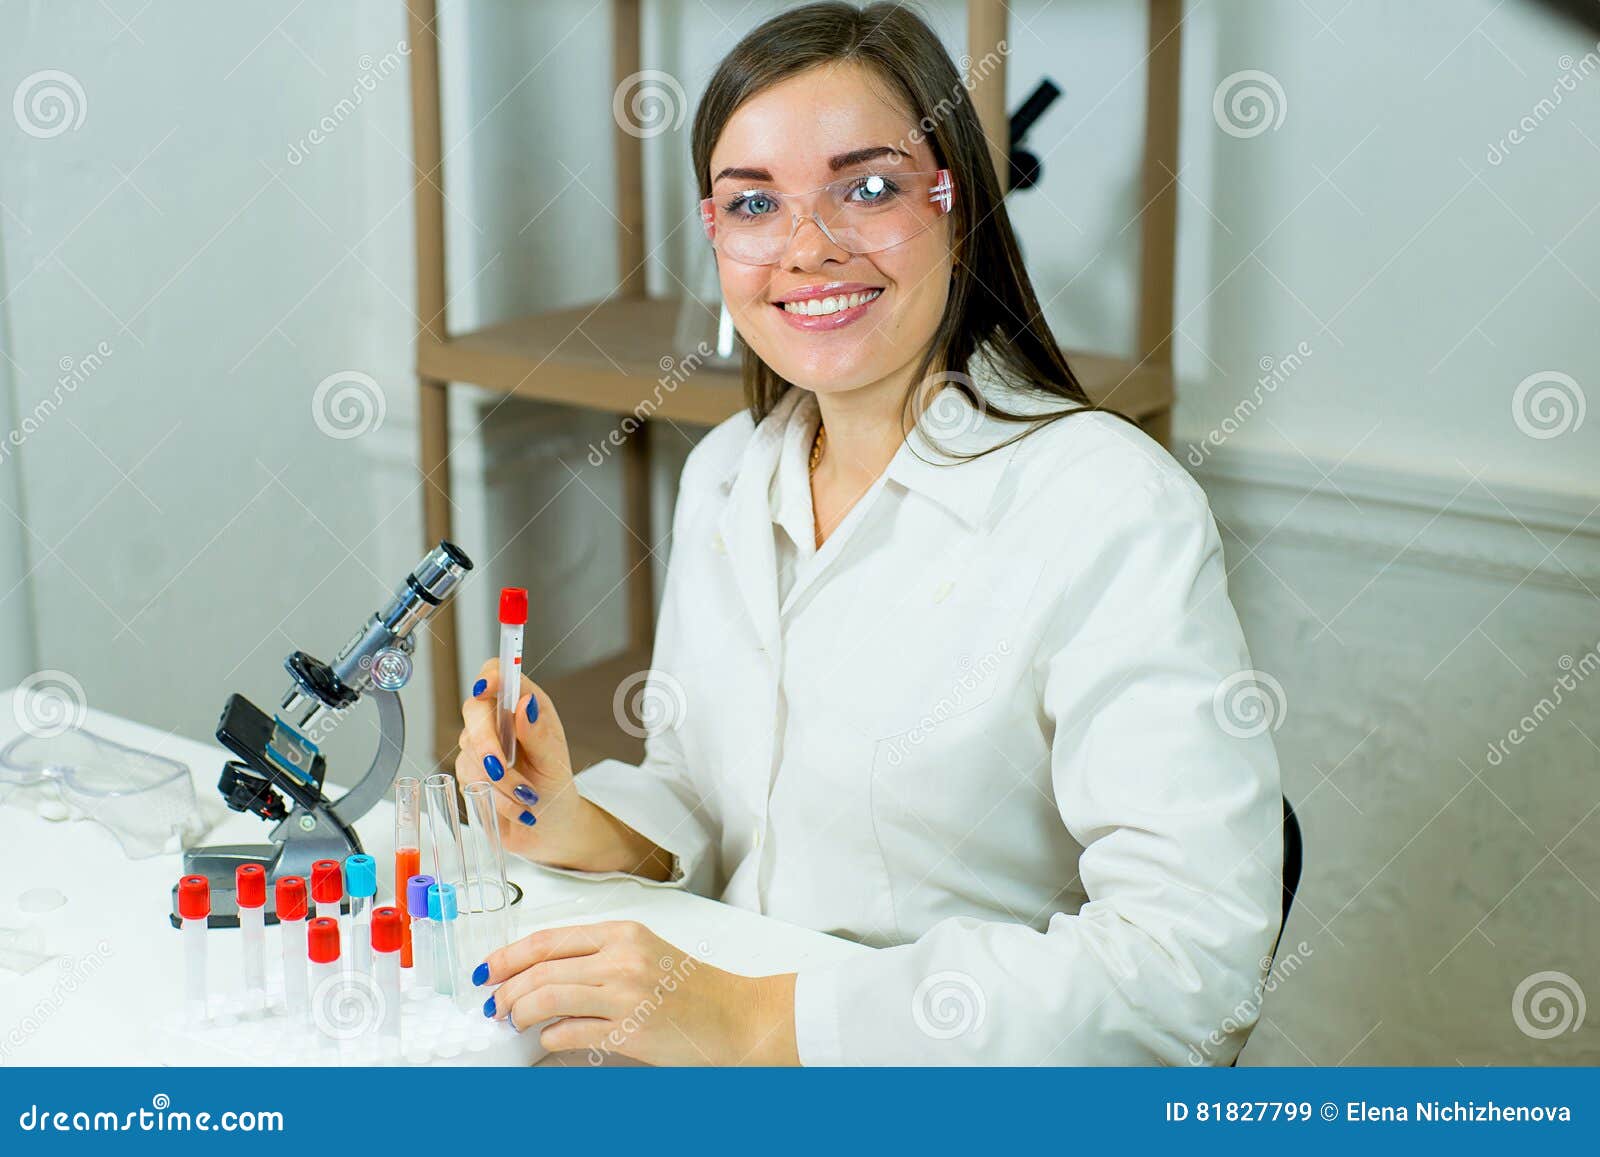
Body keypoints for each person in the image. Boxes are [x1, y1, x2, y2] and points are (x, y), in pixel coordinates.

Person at [456, 1, 1282, 1066]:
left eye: (871, 188)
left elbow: (1189, 974)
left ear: (959, 206)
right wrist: (576, 820)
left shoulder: (1107, 504)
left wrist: (760, 1019)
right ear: (714, 234)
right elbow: (717, 796)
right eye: (753, 203)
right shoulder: (726, 475)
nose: (807, 247)